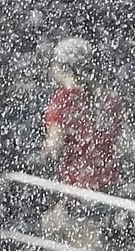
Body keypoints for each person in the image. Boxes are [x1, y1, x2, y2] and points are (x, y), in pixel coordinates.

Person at [41, 36, 124, 193]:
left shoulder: (64, 100)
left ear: (63, 67)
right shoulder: (108, 99)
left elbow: (55, 144)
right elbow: (123, 143)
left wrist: (42, 157)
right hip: (108, 185)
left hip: (75, 185)